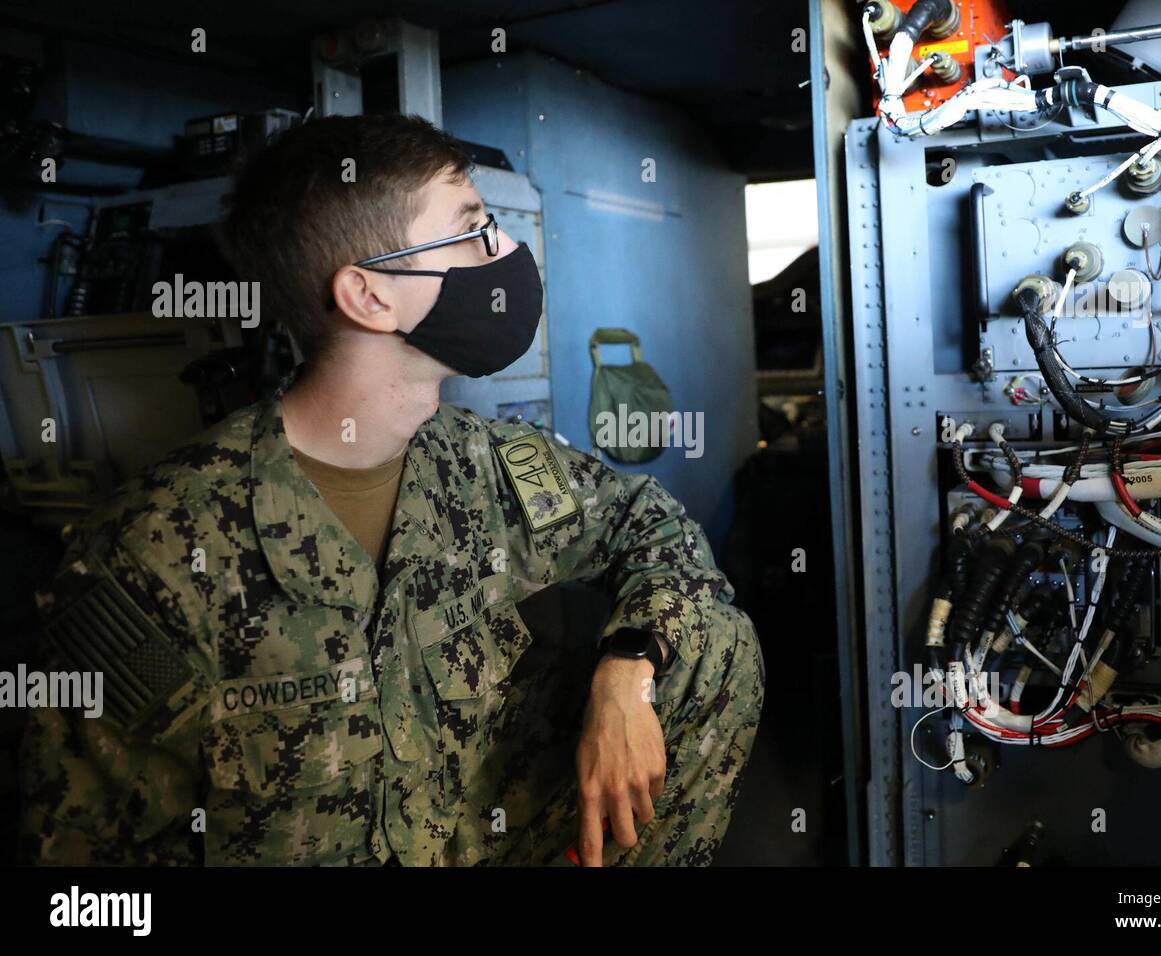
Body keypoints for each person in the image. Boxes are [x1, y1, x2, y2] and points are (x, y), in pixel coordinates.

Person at [19, 113, 764, 866]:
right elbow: (79, 854)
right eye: (474, 231)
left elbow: (648, 525)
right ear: (369, 296)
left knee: (715, 645)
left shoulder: (487, 462)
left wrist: (628, 668)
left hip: (472, 830)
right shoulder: (156, 551)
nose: (505, 254)